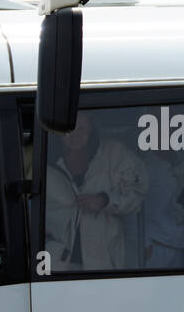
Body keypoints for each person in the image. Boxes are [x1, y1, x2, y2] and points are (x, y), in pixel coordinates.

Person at [44, 115, 148, 271]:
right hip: (54, 263)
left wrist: (105, 200)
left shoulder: (115, 154)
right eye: (69, 129)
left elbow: (138, 193)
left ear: (92, 128)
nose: (75, 136)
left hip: (102, 263)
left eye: (82, 129)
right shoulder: (43, 157)